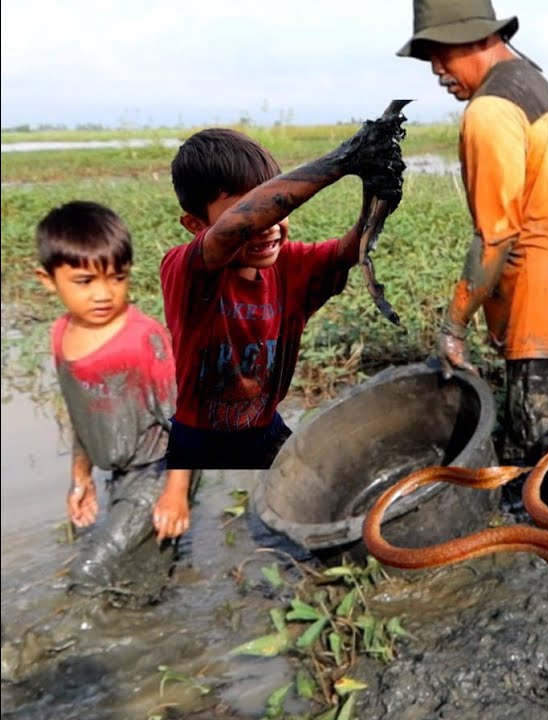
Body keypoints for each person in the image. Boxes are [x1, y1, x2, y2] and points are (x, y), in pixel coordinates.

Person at [396, 0, 548, 474]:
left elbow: (495, 236)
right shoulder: (534, 83)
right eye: (430, 57)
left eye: (442, 54)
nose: (436, 70)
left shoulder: (490, 110)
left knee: (544, 468)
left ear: (480, 39)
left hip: (546, 306)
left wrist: (453, 327)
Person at [160, 123, 403, 469]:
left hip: (265, 428)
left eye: (279, 210)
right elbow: (230, 233)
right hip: (201, 439)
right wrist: (346, 158)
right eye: (261, 211)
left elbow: (346, 251)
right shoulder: (186, 273)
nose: (271, 224)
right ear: (197, 226)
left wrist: (377, 194)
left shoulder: (288, 266)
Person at [36, 201, 195, 598]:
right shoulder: (60, 335)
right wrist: (81, 479)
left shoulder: (144, 340)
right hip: (122, 470)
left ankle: (45, 647)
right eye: (85, 281)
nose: (104, 294)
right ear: (47, 279)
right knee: (144, 580)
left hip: (160, 471)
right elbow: (80, 415)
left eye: (117, 278)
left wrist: (176, 494)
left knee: (91, 569)